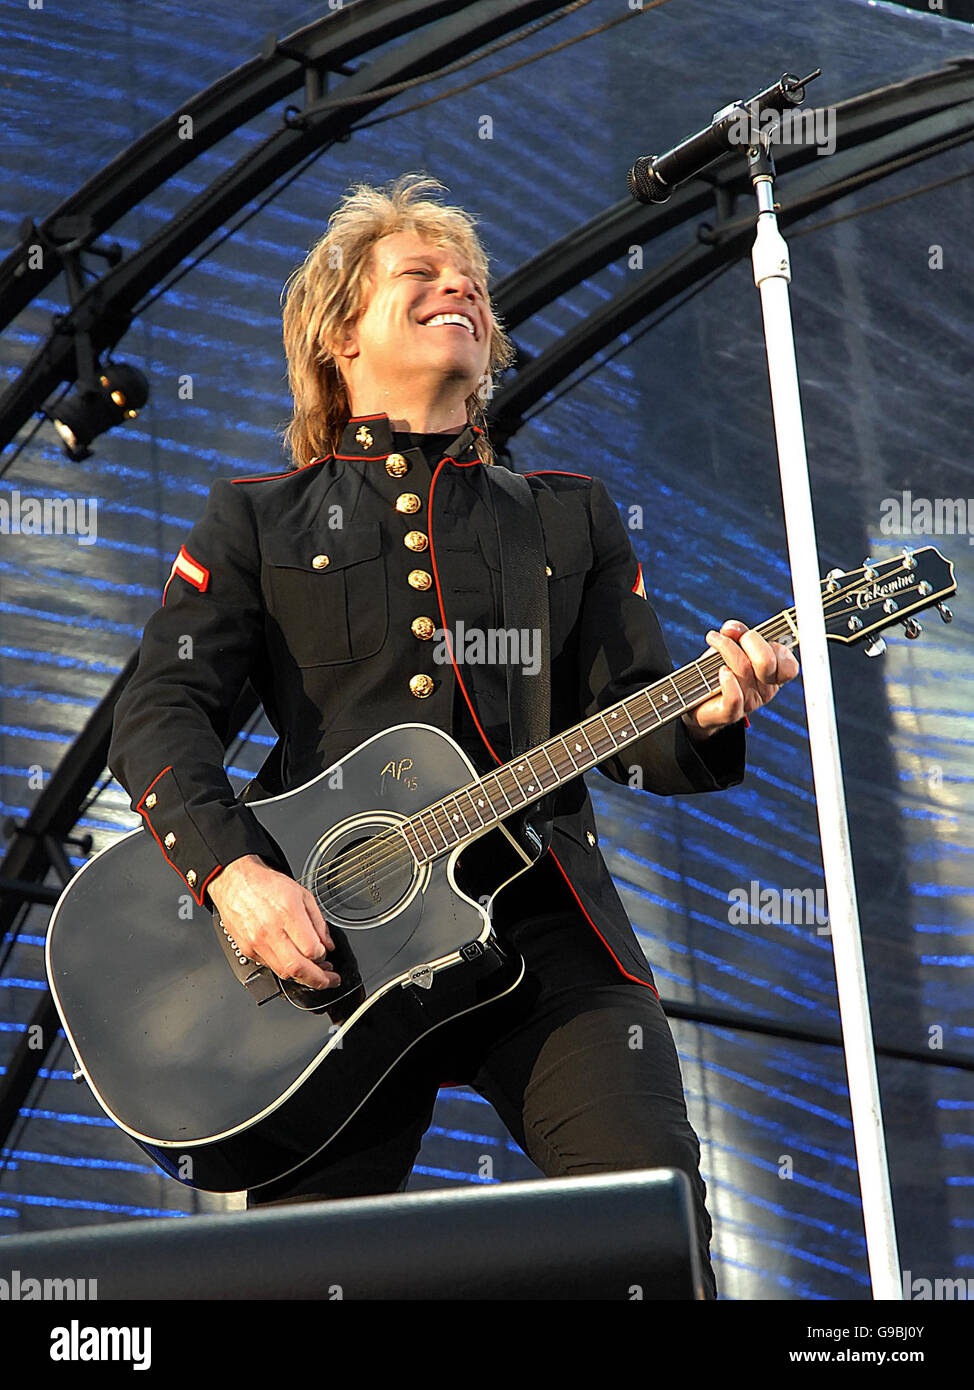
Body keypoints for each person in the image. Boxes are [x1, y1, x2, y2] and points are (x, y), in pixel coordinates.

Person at [108, 173, 799, 1300]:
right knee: (299, 1282)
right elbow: (157, 708)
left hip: (545, 932)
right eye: (419, 277)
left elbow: (630, 722)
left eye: (469, 281)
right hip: (331, 962)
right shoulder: (258, 517)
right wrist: (233, 872)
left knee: (652, 1244)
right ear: (340, 336)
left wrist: (711, 711)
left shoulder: (566, 512)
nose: (459, 290)